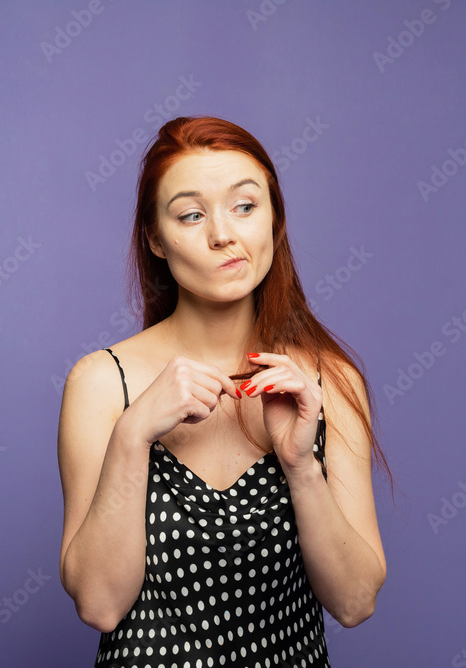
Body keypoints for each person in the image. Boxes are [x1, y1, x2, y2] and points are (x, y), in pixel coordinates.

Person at [57, 116, 391, 667]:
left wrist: (300, 463)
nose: (222, 234)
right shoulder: (101, 382)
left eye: (245, 206)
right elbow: (99, 605)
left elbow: (355, 603)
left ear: (275, 221)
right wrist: (134, 432)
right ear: (155, 239)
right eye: (191, 215)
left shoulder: (329, 381)